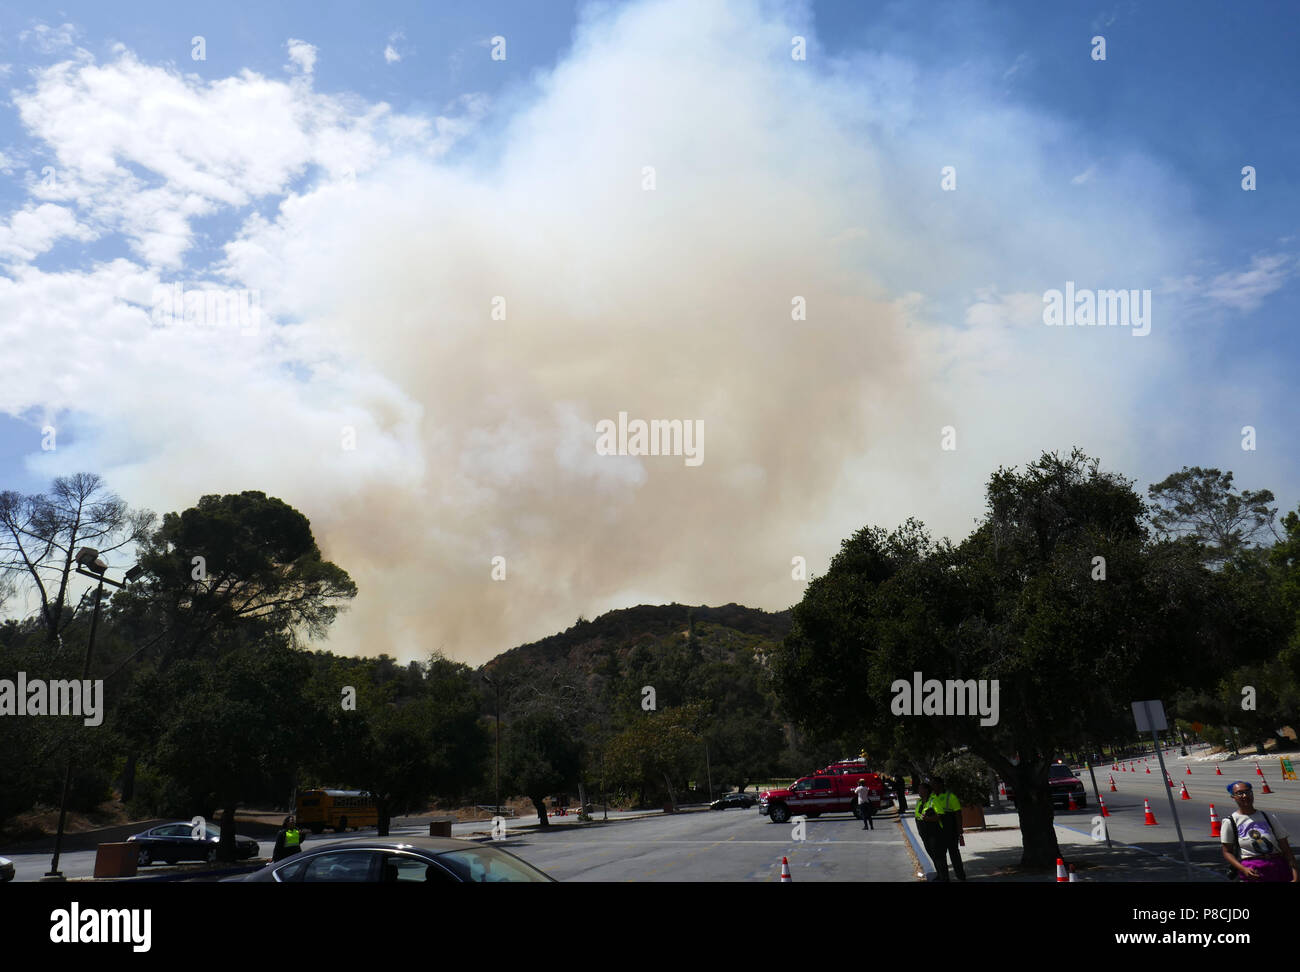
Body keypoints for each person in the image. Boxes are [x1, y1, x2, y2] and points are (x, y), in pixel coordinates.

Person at [1221, 781, 1298, 882]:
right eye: (1239, 793)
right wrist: (1243, 869)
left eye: (1247, 792)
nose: (1245, 796)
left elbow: (1286, 848)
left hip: (1278, 867)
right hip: (1253, 871)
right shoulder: (1230, 822)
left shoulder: (1268, 817)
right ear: (1233, 797)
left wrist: (1295, 874)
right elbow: (1227, 852)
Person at [930, 776, 966, 881]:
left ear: (940, 785)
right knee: (940, 856)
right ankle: (943, 876)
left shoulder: (951, 797)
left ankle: (961, 876)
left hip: (950, 830)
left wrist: (960, 829)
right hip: (937, 830)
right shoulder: (932, 796)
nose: (932, 786)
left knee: (954, 854)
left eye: (934, 784)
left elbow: (958, 814)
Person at [914, 781, 949, 881]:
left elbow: (940, 815)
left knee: (938, 856)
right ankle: (939, 874)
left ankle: (944, 877)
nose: (918, 791)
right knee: (932, 854)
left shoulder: (934, 800)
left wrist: (928, 819)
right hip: (924, 832)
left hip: (934, 832)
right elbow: (918, 816)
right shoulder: (919, 802)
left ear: (926, 790)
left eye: (920, 789)